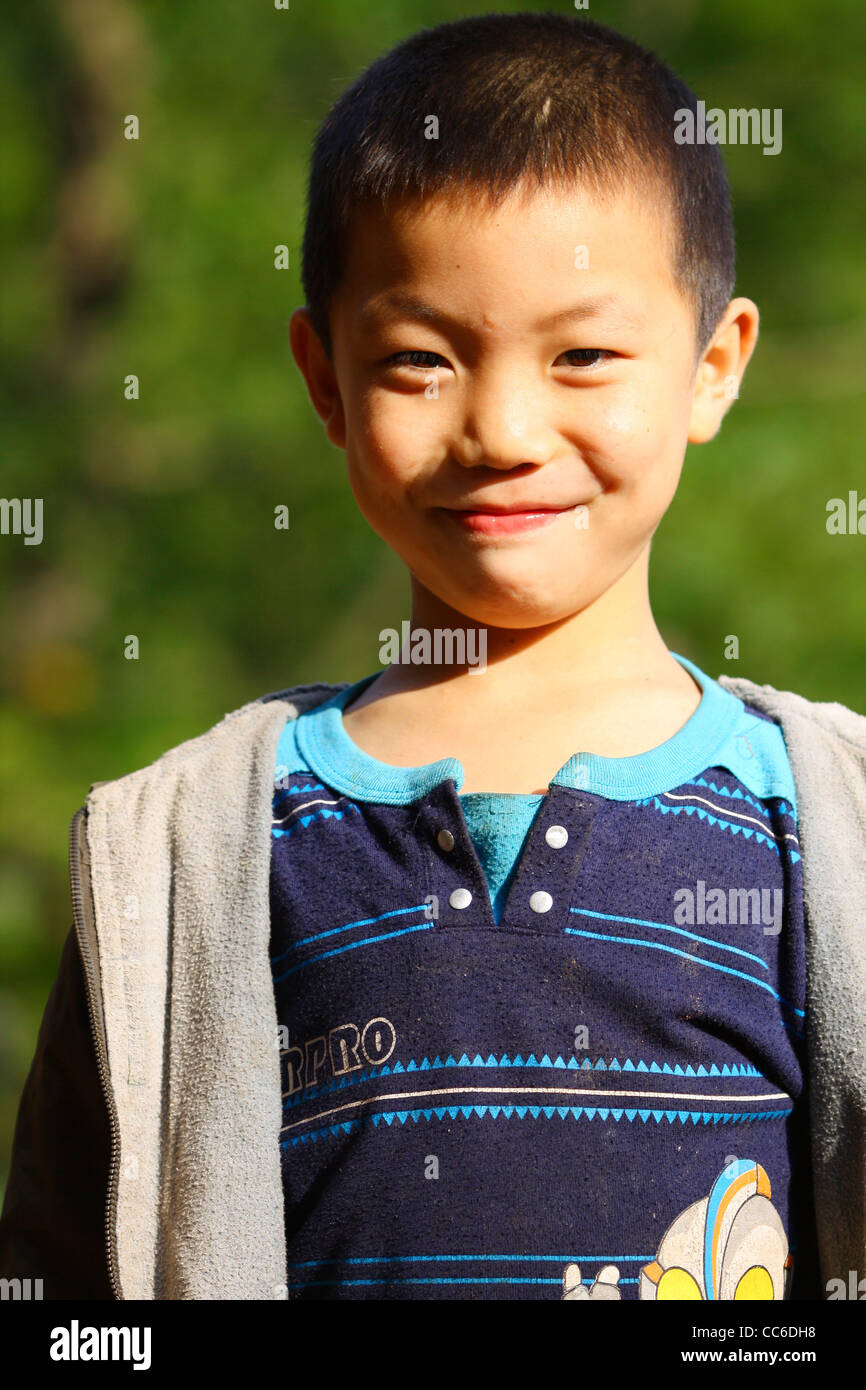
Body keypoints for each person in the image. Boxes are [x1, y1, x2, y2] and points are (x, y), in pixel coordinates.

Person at [2, 12, 864, 1301]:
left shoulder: (826, 825)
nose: (504, 429)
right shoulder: (194, 853)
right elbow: (67, 1289)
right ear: (325, 380)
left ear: (711, 366)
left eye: (584, 355)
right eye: (420, 360)